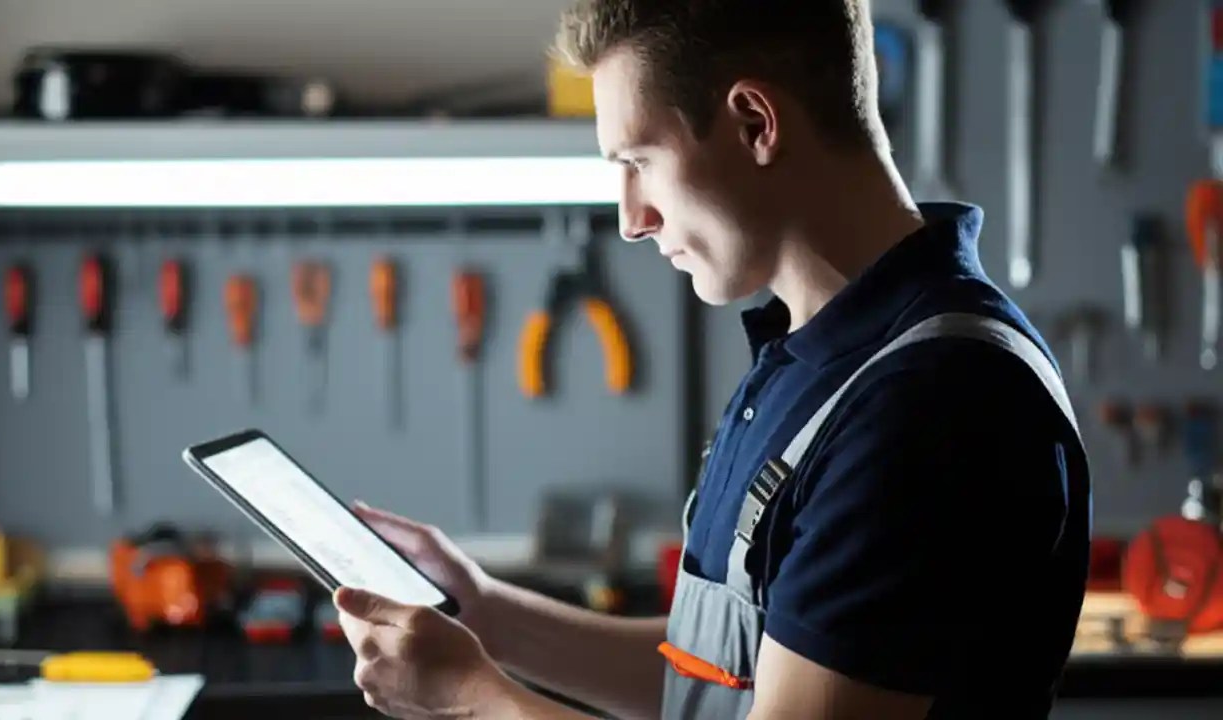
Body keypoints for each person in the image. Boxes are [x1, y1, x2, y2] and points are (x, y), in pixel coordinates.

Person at [332, 1, 1092, 718]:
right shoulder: (819, 357)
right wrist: (490, 616)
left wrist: (474, 698)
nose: (632, 218)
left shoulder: (931, 403)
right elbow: (720, 674)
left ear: (755, 122)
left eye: (639, 160)